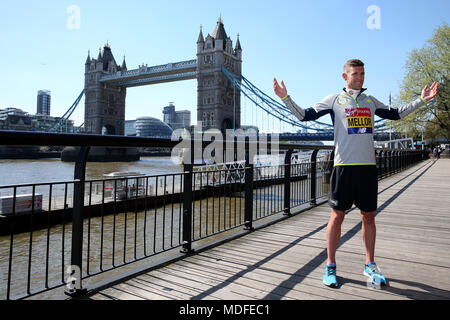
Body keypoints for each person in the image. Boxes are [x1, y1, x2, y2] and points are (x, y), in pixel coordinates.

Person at [273, 59, 439, 288]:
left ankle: (370, 264)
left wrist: (421, 100)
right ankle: (330, 265)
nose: (360, 77)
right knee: (337, 216)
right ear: (345, 76)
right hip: (344, 168)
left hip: (368, 168)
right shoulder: (334, 100)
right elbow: (304, 116)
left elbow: (396, 114)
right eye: (355, 73)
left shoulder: (370, 101)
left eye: (362, 73)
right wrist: (285, 98)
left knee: (368, 217)